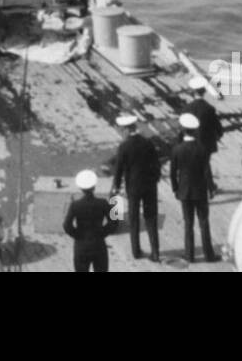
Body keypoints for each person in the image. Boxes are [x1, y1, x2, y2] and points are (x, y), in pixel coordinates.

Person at [110, 113, 161, 262]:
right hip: (150, 186)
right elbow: (157, 164)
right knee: (151, 217)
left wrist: (116, 187)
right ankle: (155, 252)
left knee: (134, 219)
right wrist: (155, 179)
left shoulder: (124, 146)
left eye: (122, 129)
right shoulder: (148, 143)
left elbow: (119, 169)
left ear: (126, 129)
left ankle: (136, 251)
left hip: (133, 187)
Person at [170, 113, 219, 262]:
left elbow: (173, 173)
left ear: (183, 130)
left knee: (188, 223)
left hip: (184, 191)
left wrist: (175, 189)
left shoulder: (177, 149)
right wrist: (211, 188)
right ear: (194, 130)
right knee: (204, 222)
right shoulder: (202, 148)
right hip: (200, 190)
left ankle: (189, 255)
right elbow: (206, 170)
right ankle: (209, 254)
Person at [63, 169, 116, 273]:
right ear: (94, 187)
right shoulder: (103, 203)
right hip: (98, 243)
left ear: (80, 188)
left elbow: (66, 225)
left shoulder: (75, 205)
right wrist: (103, 233)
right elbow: (114, 222)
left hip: (81, 245)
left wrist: (77, 235)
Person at [184, 75, 224, 196]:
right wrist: (219, 135)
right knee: (205, 164)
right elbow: (217, 126)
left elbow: (183, 126)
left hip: (190, 141)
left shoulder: (187, 108)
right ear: (204, 91)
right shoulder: (209, 108)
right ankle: (209, 188)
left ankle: (209, 186)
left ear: (192, 92)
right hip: (206, 142)